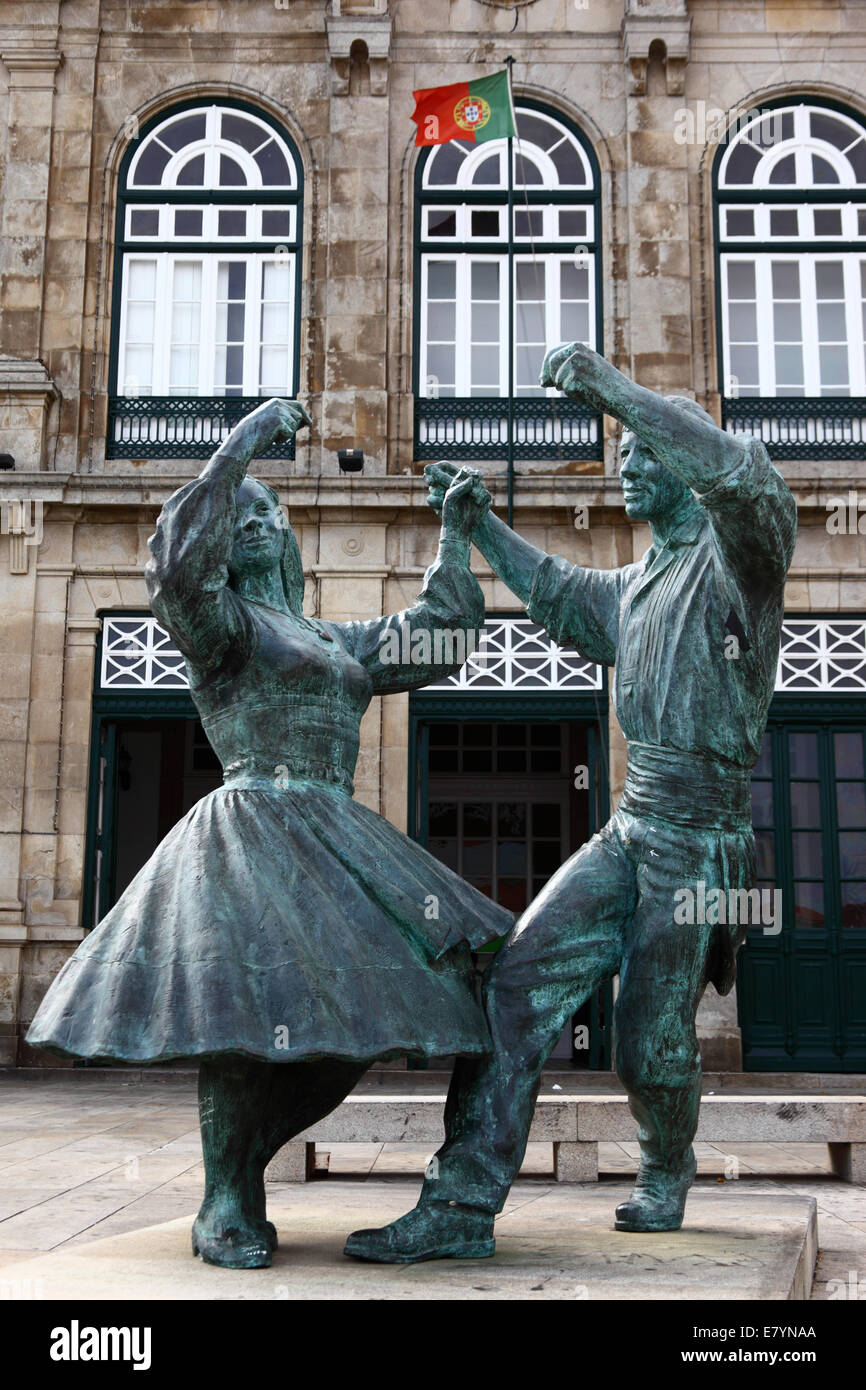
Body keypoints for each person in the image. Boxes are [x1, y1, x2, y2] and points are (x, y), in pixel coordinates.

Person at [27, 398, 513, 1269]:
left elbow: (437, 638)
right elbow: (176, 575)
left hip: (335, 833)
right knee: (244, 1012)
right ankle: (228, 1194)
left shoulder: (332, 635)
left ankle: (332, 1180)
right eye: (240, 514)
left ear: (288, 542)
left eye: (266, 515)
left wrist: (454, 530)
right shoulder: (224, 631)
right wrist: (242, 444)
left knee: (426, 989)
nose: (253, 523)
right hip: (248, 829)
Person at [345, 342, 797, 1264]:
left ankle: (667, 1164)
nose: (623, 464)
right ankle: (462, 1204)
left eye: (637, 452)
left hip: (700, 842)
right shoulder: (635, 588)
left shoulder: (743, 561)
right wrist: (478, 527)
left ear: (680, 467)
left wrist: (616, 391)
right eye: (622, 448)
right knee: (515, 983)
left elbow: (742, 479)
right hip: (630, 825)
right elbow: (552, 591)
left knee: (647, 1040)